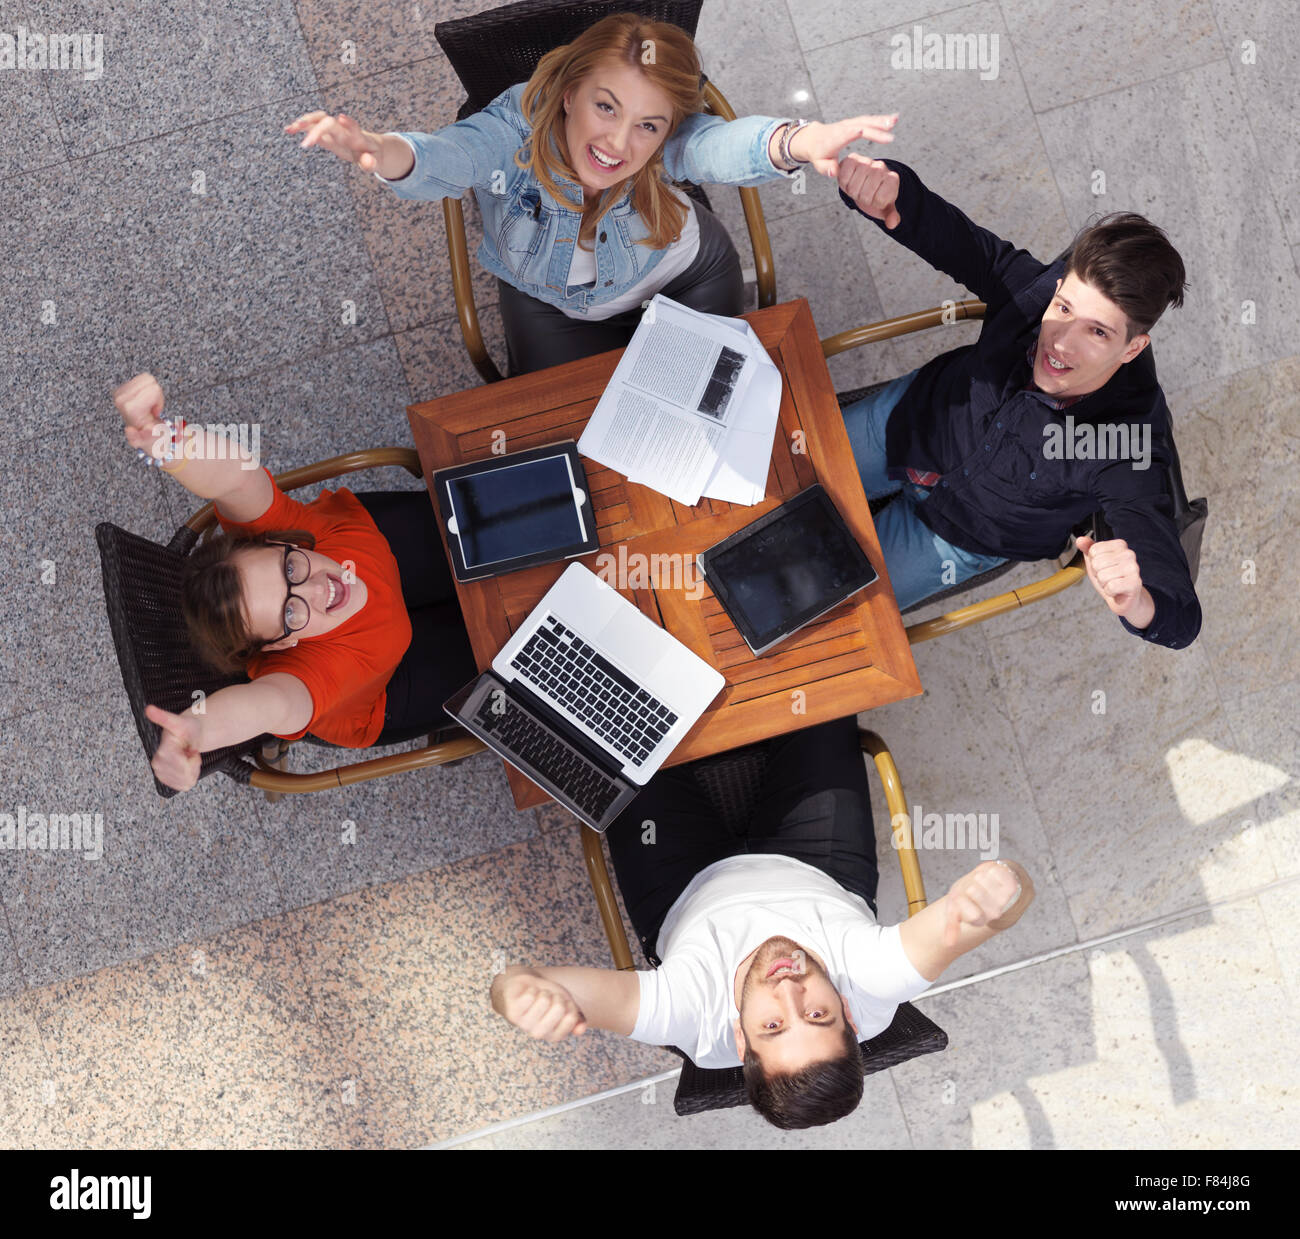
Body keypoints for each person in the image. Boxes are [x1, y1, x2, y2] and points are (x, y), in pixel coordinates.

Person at [489, 716, 1034, 1130]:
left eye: (772, 1026)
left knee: (623, 730)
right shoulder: (873, 985)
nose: (789, 991)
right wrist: (997, 892)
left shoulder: (692, 1018)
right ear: (850, 1013)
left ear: (737, 1037)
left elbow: (518, 983)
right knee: (823, 690)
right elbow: (999, 911)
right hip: (816, 862)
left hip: (684, 883)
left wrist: (520, 994)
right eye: (818, 1014)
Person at [285, 11, 898, 374]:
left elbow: (716, 145)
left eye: (648, 126)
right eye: (606, 107)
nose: (618, 144)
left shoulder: (665, 144)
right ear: (572, 92)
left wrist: (797, 140)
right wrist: (384, 149)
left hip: (685, 271)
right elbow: (455, 154)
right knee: (576, 436)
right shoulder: (516, 126)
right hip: (555, 303)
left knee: (697, 406)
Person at [834, 154, 1200, 649]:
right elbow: (958, 239)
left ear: (1133, 347)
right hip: (911, 426)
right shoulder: (1036, 289)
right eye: (1063, 307)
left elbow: (1181, 619)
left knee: (819, 606)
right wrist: (890, 191)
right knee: (762, 478)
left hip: (960, 534)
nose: (1061, 344)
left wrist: (1141, 604)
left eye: (1097, 331)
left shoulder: (1126, 442)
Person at [112, 372, 477, 792]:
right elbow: (268, 706)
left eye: (291, 571)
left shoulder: (285, 529)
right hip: (385, 687)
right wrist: (196, 733)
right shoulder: (307, 674)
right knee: (513, 649)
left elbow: (236, 477)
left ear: (280, 540)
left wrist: (166, 441)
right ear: (280, 645)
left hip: (382, 556)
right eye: (290, 611)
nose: (322, 589)